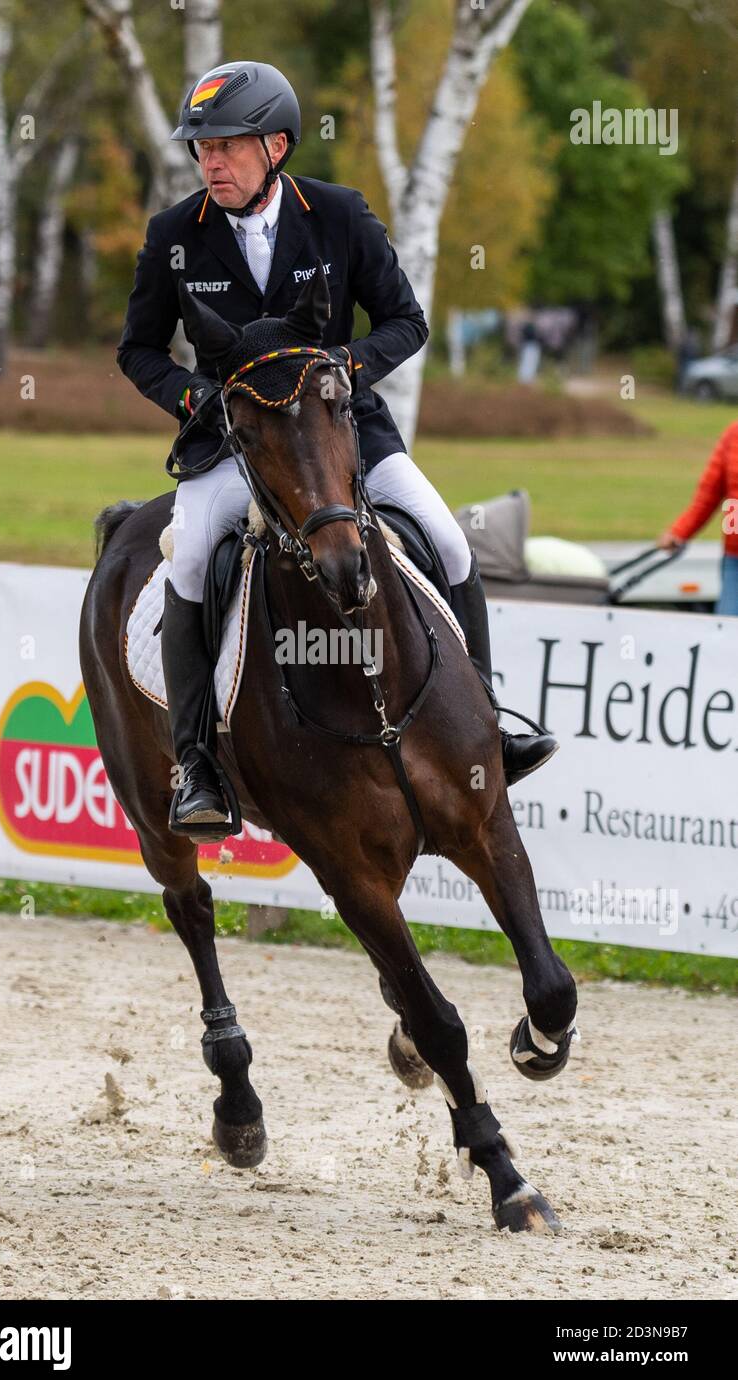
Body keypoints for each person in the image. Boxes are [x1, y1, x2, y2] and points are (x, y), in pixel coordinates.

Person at [117, 60, 558, 840]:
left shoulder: (341, 216)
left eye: (226, 146)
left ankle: (487, 723)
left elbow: (406, 322)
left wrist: (344, 371)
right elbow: (140, 351)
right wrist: (197, 399)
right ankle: (196, 766)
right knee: (188, 560)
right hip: (234, 444)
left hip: (343, 434)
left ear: (277, 146)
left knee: (451, 542)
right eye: (201, 148)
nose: (209, 162)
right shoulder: (173, 237)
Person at [658, 420, 738, 616]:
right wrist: (680, 531)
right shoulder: (733, 434)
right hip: (735, 558)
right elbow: (707, 496)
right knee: (727, 635)